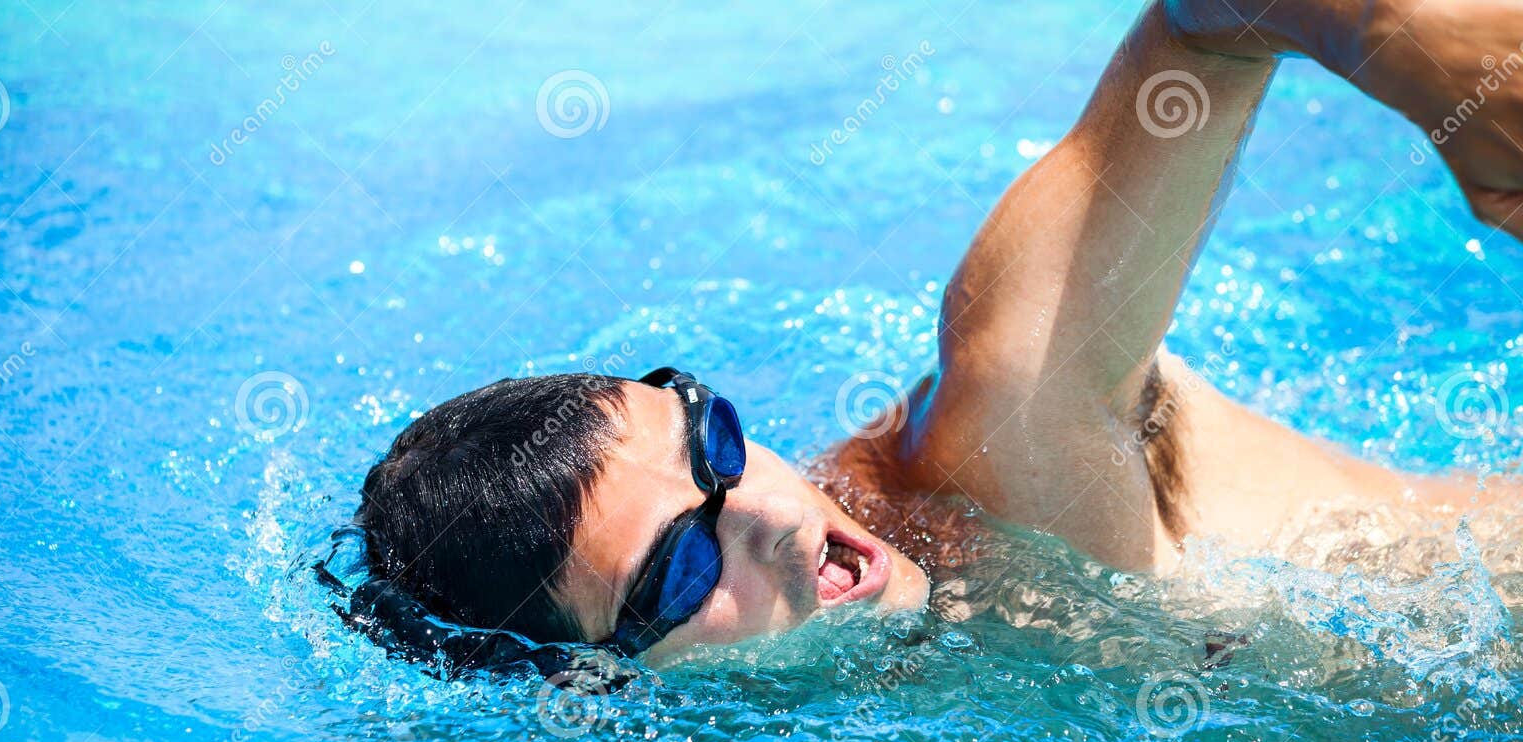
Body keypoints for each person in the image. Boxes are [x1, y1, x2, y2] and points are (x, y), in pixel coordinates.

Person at [355, 0, 1523, 668]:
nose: (764, 505)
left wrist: (1390, 33)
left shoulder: (993, 447)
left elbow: (1210, 22)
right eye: (683, 563)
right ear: (590, 691)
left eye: (711, 441)